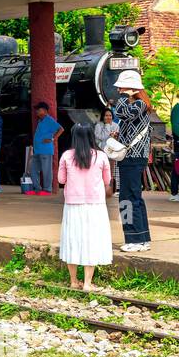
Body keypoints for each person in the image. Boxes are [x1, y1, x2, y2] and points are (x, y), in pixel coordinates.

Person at [58, 123, 113, 290]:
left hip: (73, 205)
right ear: (91, 136)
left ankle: (74, 281)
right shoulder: (101, 156)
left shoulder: (67, 156)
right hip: (95, 205)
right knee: (92, 240)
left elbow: (61, 180)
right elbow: (107, 181)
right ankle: (88, 283)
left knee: (72, 240)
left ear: (74, 137)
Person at [111, 72, 153, 252]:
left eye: (121, 87)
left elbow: (121, 113)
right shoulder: (140, 104)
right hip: (133, 157)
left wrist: (122, 97)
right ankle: (142, 238)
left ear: (131, 89)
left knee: (127, 198)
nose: (118, 90)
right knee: (135, 197)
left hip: (132, 157)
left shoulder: (139, 104)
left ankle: (133, 239)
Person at [28, 102, 62, 196]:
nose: (37, 112)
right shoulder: (40, 121)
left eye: (39, 110)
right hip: (37, 150)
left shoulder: (49, 120)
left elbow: (61, 129)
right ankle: (37, 188)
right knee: (33, 169)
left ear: (45, 111)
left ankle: (47, 189)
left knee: (46, 170)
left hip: (46, 150)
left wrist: (52, 139)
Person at [94, 108, 120, 195]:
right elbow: (101, 137)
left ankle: (109, 191)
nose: (108, 117)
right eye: (106, 115)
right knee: (100, 171)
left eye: (110, 115)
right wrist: (108, 126)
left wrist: (114, 137)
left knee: (110, 172)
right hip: (101, 152)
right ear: (103, 116)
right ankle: (99, 190)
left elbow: (116, 139)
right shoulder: (99, 125)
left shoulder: (116, 125)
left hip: (111, 152)